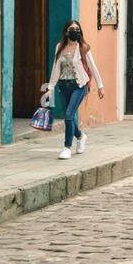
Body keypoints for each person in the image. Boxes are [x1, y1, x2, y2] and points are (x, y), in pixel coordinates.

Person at [47, 20, 104, 160]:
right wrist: (50, 87)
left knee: (68, 115)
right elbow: (56, 68)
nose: (75, 31)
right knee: (69, 117)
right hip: (63, 86)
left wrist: (100, 86)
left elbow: (92, 67)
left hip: (79, 86)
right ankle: (80, 136)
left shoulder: (84, 47)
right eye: (72, 29)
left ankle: (67, 147)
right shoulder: (59, 47)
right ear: (66, 32)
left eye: (77, 29)